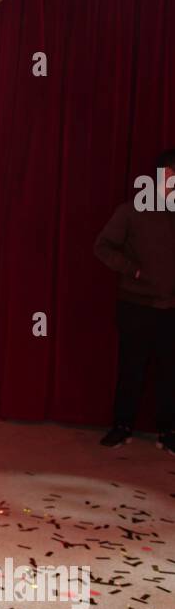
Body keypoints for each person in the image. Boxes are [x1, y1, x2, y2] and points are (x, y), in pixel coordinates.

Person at [94, 148, 175, 453]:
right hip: (136, 305)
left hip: (172, 307)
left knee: (170, 371)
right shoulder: (132, 210)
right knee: (132, 367)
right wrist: (134, 270)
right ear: (163, 176)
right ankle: (122, 426)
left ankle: (167, 431)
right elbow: (102, 246)